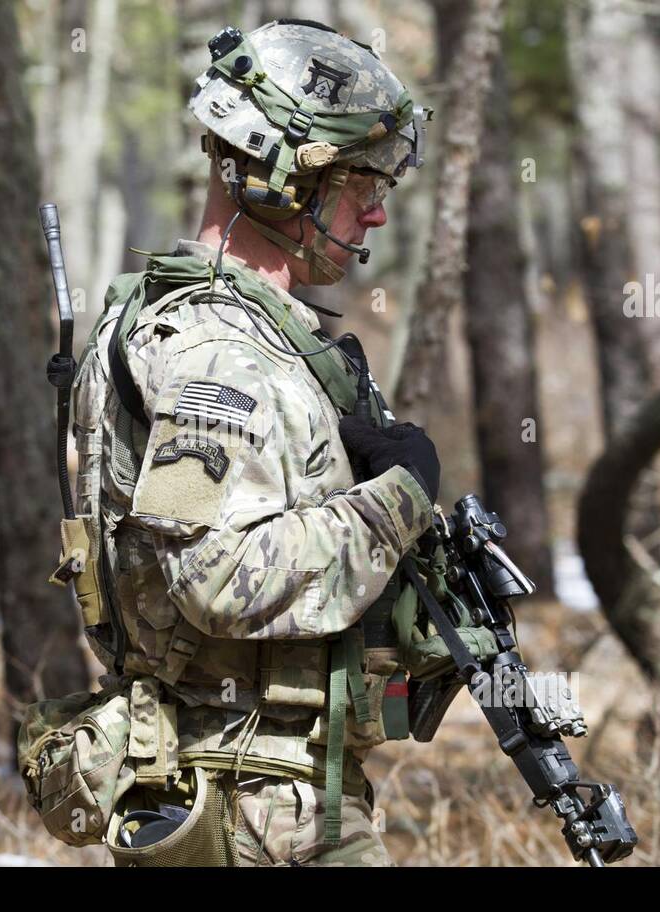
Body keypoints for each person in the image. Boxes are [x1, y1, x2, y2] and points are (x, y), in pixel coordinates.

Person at [60, 18, 439, 866]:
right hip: (260, 810)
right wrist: (399, 499)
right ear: (278, 182)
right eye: (356, 183)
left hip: (244, 793)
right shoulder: (219, 354)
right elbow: (218, 578)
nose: (377, 207)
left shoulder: (214, 327)